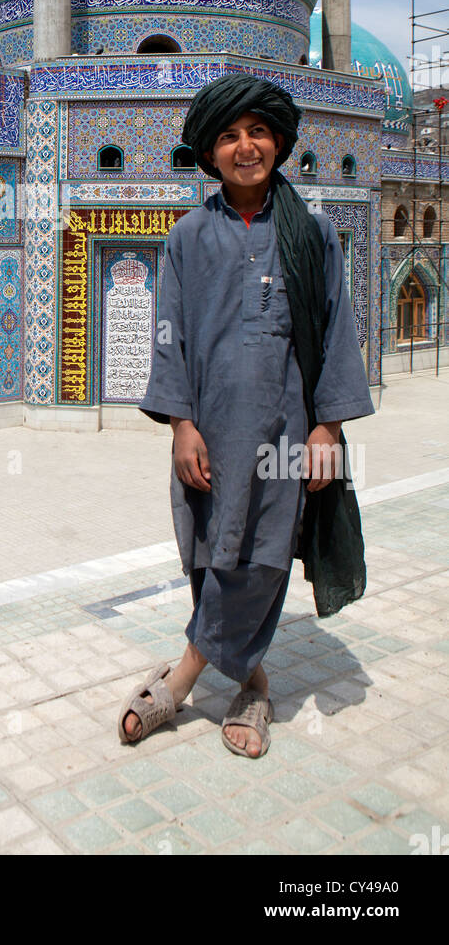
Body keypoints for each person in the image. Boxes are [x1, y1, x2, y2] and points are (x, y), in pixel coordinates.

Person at [118, 74, 374, 757]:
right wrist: (180, 425)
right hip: (208, 430)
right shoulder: (186, 239)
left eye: (257, 131)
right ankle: (255, 683)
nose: (245, 147)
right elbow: (168, 334)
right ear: (210, 151)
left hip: (288, 432)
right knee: (209, 553)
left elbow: (336, 330)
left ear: (281, 140)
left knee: (260, 559)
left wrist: (329, 429)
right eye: (229, 135)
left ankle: (182, 677)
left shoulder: (313, 235)